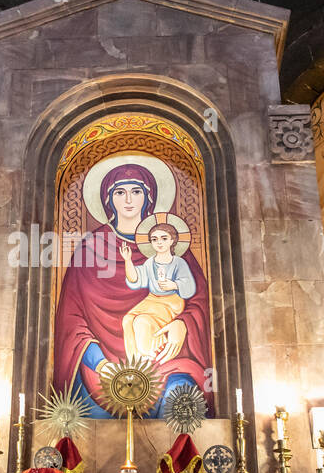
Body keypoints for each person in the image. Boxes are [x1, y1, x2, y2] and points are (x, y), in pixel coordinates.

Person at [53, 163, 212, 418]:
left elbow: (198, 300)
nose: (128, 200)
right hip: (103, 367)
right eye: (119, 192)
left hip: (165, 359)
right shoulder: (90, 248)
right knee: (86, 417)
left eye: (136, 191)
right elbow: (71, 319)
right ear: (108, 200)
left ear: (148, 198)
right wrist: (100, 363)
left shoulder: (173, 250)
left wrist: (183, 324)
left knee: (181, 399)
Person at [119, 222, 196, 360]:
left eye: (164, 238)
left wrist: (174, 285)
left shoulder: (178, 262)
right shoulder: (150, 262)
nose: (159, 242)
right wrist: (128, 260)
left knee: (142, 321)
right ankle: (134, 361)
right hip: (152, 299)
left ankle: (149, 353)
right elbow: (135, 278)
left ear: (172, 240)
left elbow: (189, 286)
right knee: (127, 319)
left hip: (171, 301)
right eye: (154, 239)